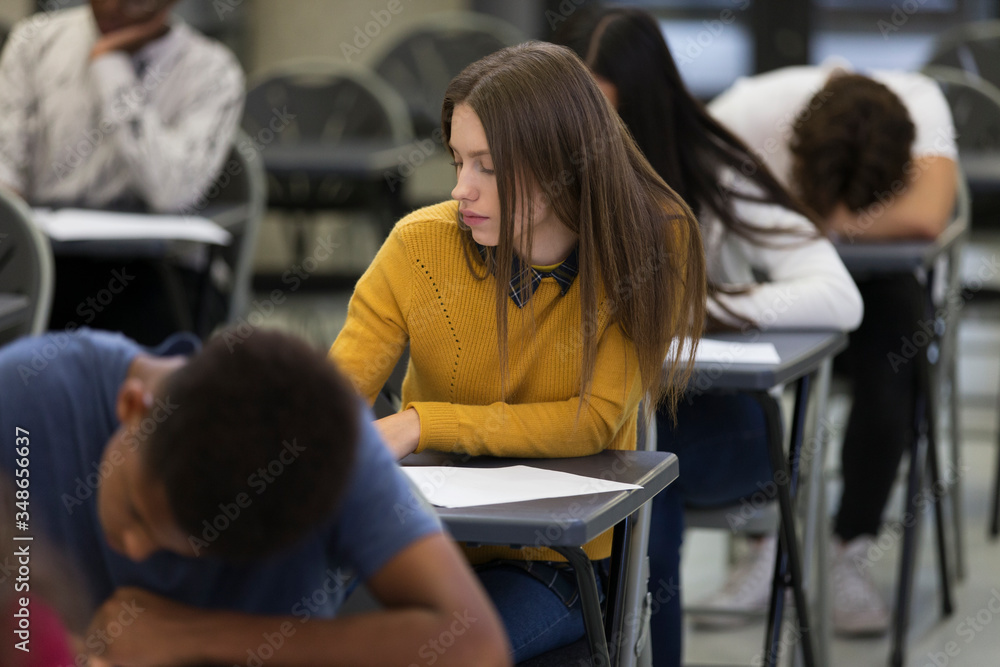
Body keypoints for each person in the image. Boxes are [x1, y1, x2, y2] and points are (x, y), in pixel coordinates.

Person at [329, 41, 706, 662]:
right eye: (457, 160)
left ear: (564, 161)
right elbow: (335, 401)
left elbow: (592, 419)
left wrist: (424, 422)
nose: (460, 189)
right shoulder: (417, 245)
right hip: (421, 544)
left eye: (488, 166)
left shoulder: (650, 244)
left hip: (555, 564)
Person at [552, 7, 863, 665]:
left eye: (614, 115)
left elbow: (841, 296)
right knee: (614, 481)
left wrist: (713, 306)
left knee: (642, 493)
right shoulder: (571, 170)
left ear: (651, 107)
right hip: (610, 413)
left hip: (721, 424)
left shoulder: (716, 165)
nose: (604, 136)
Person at [0, 328, 510, 667]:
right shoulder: (26, 398)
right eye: (135, 508)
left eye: (193, 550)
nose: (132, 550)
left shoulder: (327, 454)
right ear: (134, 408)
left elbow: (475, 644)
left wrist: (195, 636)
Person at [709, 60, 958, 636]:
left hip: (878, 292)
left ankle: (851, 547)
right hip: (782, 283)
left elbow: (924, 216)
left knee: (894, 370)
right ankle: (767, 540)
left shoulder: (918, 101)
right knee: (739, 365)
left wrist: (829, 217)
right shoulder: (747, 111)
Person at [0, 0, 246, 343]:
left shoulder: (214, 70)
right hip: (48, 259)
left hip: (157, 271)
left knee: (134, 342)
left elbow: (171, 192)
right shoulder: (34, 42)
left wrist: (109, 63)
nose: (114, 6)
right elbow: (6, 178)